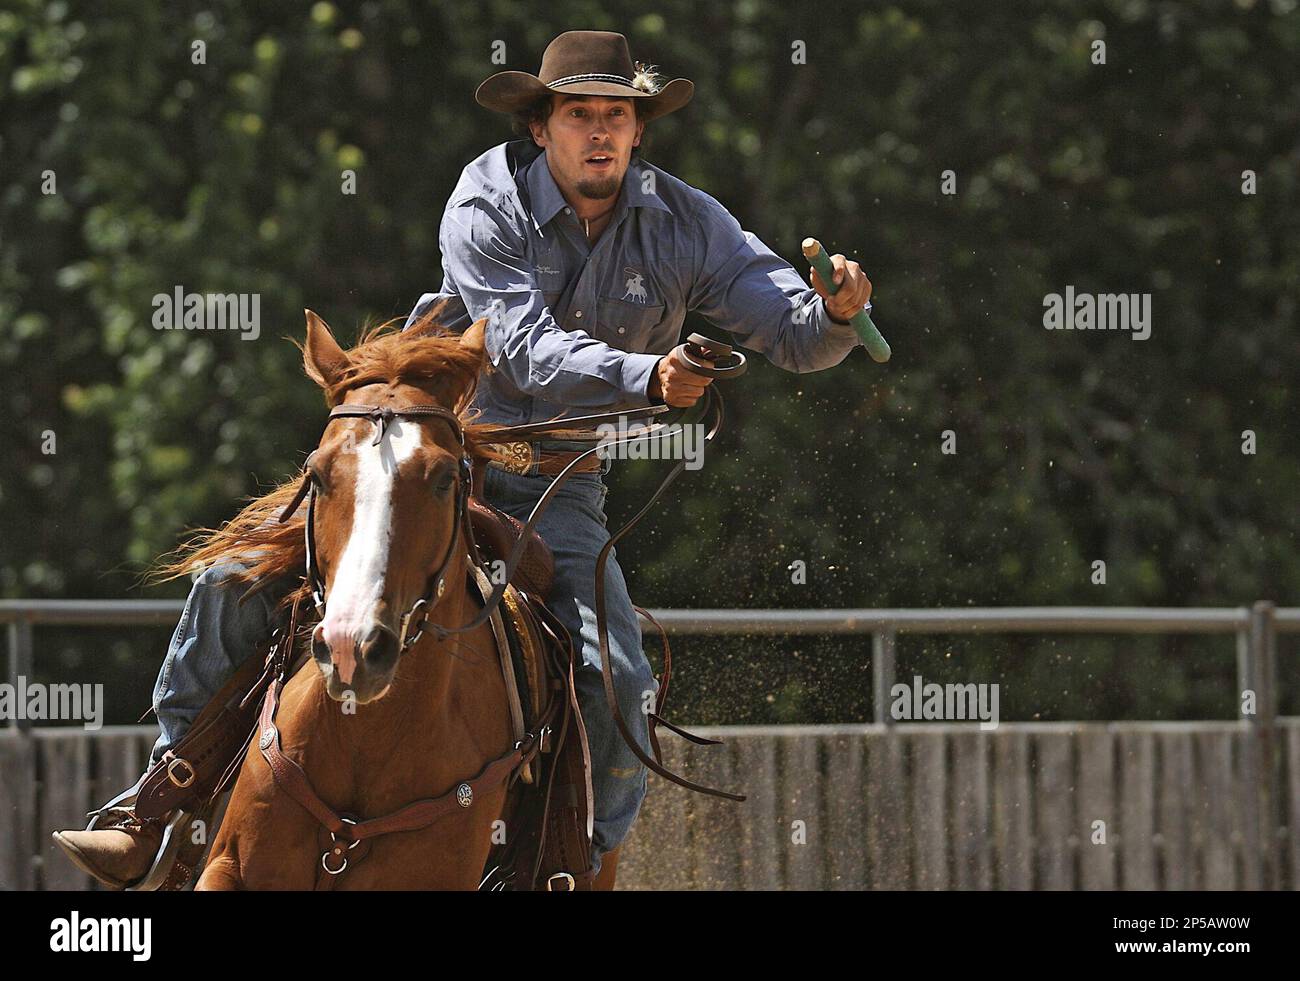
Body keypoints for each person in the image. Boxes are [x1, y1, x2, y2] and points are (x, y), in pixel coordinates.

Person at [54, 29, 875, 889]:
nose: (601, 132)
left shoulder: (685, 220)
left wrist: (838, 314)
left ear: (639, 132)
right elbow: (519, 349)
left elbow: (790, 327)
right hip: (417, 455)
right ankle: (160, 801)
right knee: (231, 577)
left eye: (618, 117)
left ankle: (571, 863)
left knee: (620, 679)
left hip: (559, 484)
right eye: (580, 114)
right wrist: (648, 375)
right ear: (540, 127)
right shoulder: (485, 198)